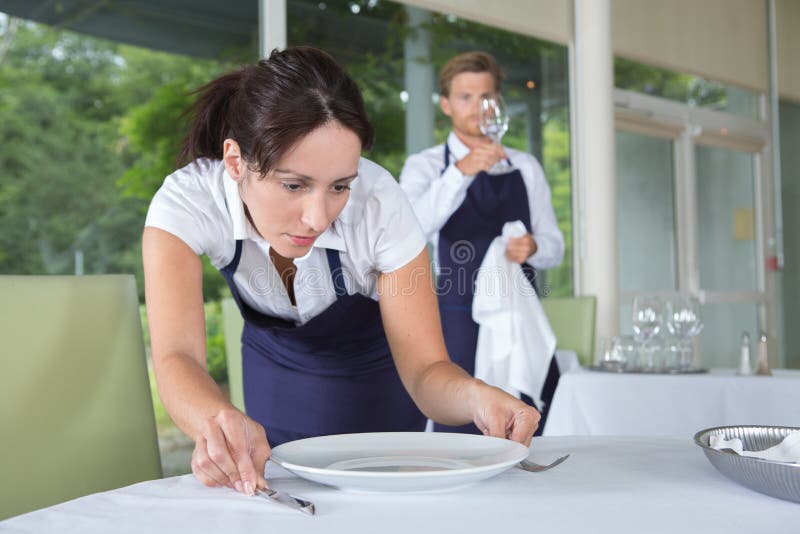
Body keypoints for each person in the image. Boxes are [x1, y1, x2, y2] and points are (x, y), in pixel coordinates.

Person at [142, 46, 540, 497]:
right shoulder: (189, 201)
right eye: (294, 185)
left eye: (339, 187)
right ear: (235, 162)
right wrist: (215, 421)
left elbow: (427, 370)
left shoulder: (379, 204)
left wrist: (475, 396)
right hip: (273, 374)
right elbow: (178, 358)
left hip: (379, 384)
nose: (318, 216)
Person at [399, 51, 564, 435]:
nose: (477, 108)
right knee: (460, 431)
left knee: (536, 424)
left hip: (521, 315)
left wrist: (534, 247)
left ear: (499, 102)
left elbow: (554, 245)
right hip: (455, 319)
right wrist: (461, 172)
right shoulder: (424, 166)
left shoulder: (526, 166)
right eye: (465, 97)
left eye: (486, 97)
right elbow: (411, 230)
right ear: (445, 104)